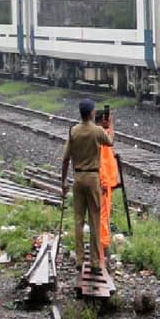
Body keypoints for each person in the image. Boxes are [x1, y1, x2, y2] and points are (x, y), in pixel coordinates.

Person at [60, 99, 113, 273]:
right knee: (95, 219)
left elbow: (65, 159)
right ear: (91, 113)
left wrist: (63, 182)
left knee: (78, 220)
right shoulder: (97, 131)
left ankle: (79, 259)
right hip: (93, 177)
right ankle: (95, 262)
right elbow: (110, 142)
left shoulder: (73, 131)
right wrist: (108, 127)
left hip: (78, 177)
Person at [97, 107, 119, 268]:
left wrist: (110, 126)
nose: (110, 121)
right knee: (103, 216)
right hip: (103, 184)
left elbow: (111, 137)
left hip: (106, 183)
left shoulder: (101, 135)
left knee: (103, 216)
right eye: (108, 118)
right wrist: (104, 182)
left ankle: (102, 248)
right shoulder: (100, 139)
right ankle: (103, 250)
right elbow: (101, 163)